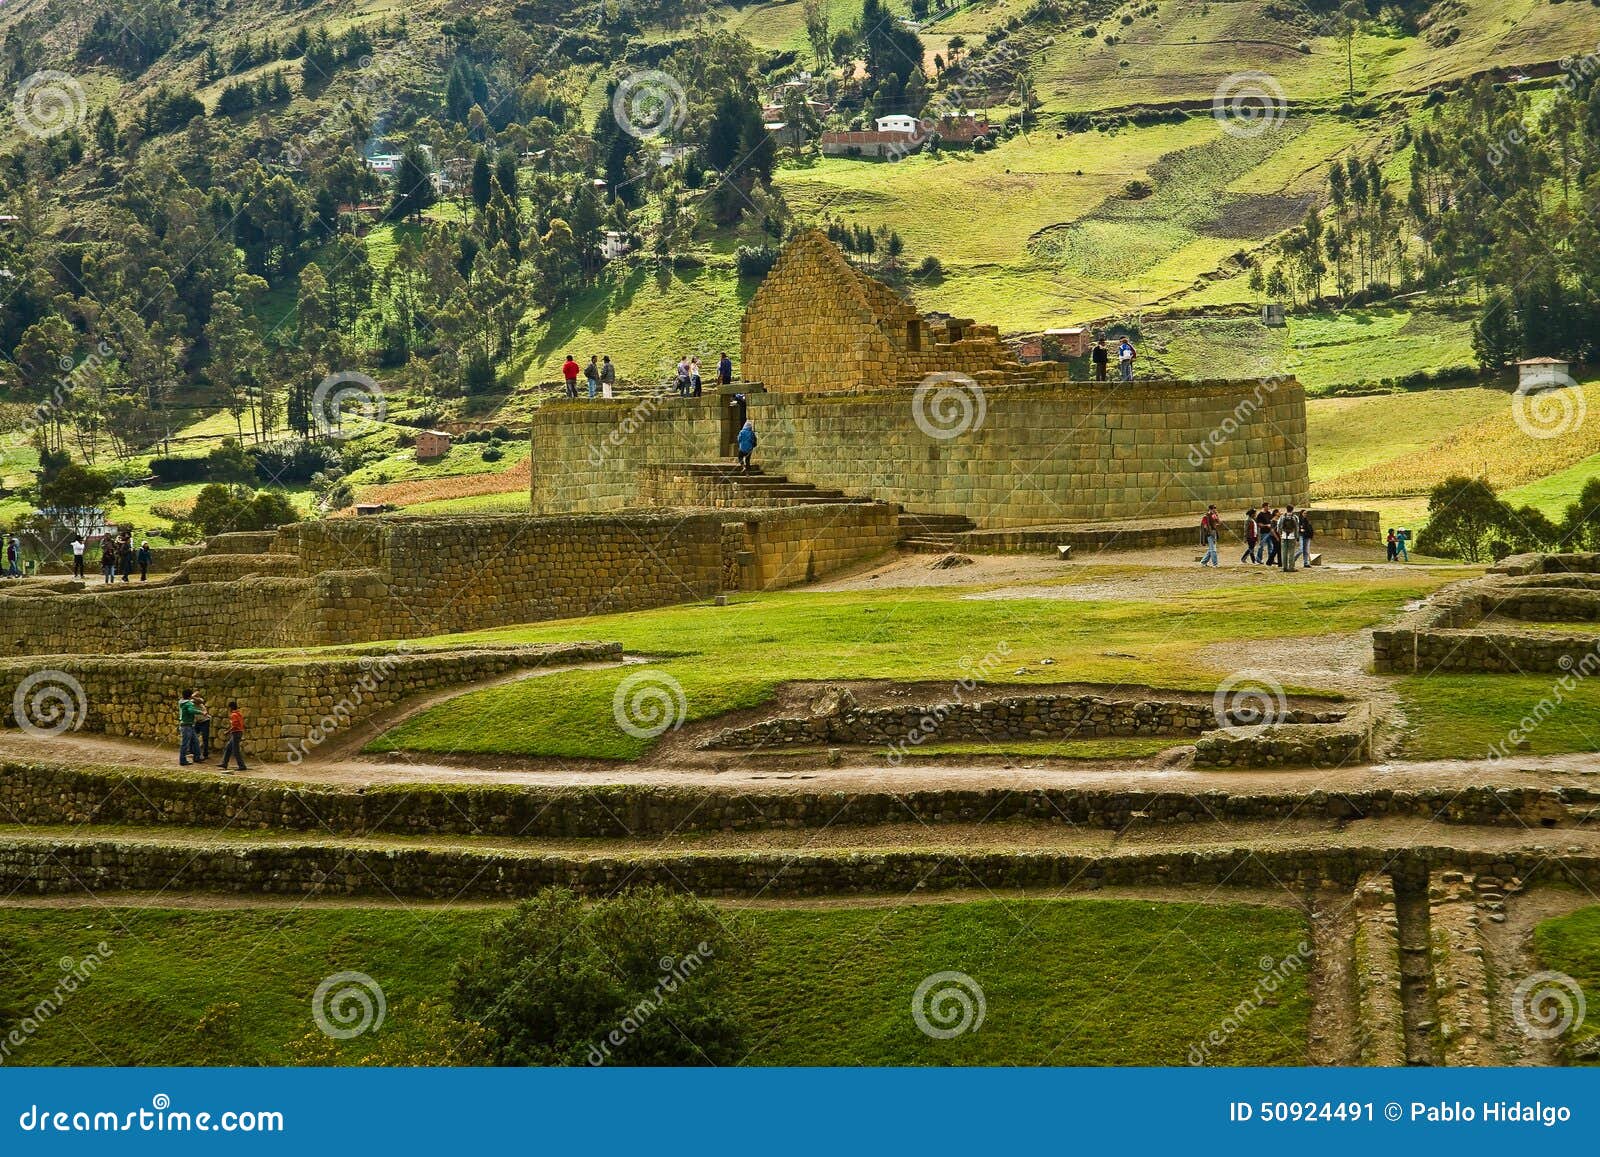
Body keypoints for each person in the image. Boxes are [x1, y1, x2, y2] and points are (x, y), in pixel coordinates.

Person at [219, 699, 248, 772]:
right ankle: (224, 763)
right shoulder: (239, 713)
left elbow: (235, 726)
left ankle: (242, 766)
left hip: (236, 733)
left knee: (236, 751)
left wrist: (227, 732)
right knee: (228, 747)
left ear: (231, 708)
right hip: (238, 732)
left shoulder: (234, 715)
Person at [178, 689, 201, 766]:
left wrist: (192, 695)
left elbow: (189, 699)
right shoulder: (188, 703)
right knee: (185, 744)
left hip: (187, 725)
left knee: (196, 741)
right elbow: (191, 711)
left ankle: (197, 757)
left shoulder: (181, 701)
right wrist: (201, 712)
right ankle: (182, 760)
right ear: (190, 696)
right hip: (187, 726)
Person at [1277, 505, 1300, 573]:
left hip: (1284, 536)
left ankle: (1284, 567)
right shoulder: (1295, 517)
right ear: (1292, 509)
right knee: (1291, 553)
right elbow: (1297, 527)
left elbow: (1278, 526)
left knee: (1284, 552)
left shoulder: (1282, 516)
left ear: (1286, 509)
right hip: (1292, 536)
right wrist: (1297, 536)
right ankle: (1291, 567)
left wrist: (1280, 534)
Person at [194, 694, 212, 762]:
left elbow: (200, 700)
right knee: (194, 736)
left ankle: (205, 753)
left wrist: (192, 696)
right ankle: (193, 751)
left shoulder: (199, 701)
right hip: (198, 722)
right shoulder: (191, 702)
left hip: (205, 721)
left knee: (205, 738)